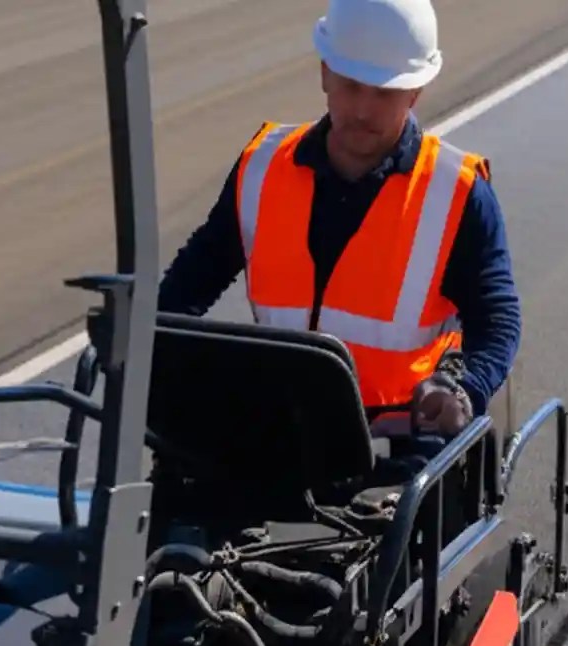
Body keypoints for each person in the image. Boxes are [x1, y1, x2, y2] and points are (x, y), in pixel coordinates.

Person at [157, 0, 520, 436]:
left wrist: (466, 391)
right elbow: (188, 284)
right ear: (325, 73)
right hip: (280, 430)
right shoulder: (262, 168)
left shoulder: (457, 193)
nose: (363, 111)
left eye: (384, 93)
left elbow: (496, 320)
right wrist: (140, 341)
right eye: (351, 86)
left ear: (415, 93)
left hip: (401, 444)